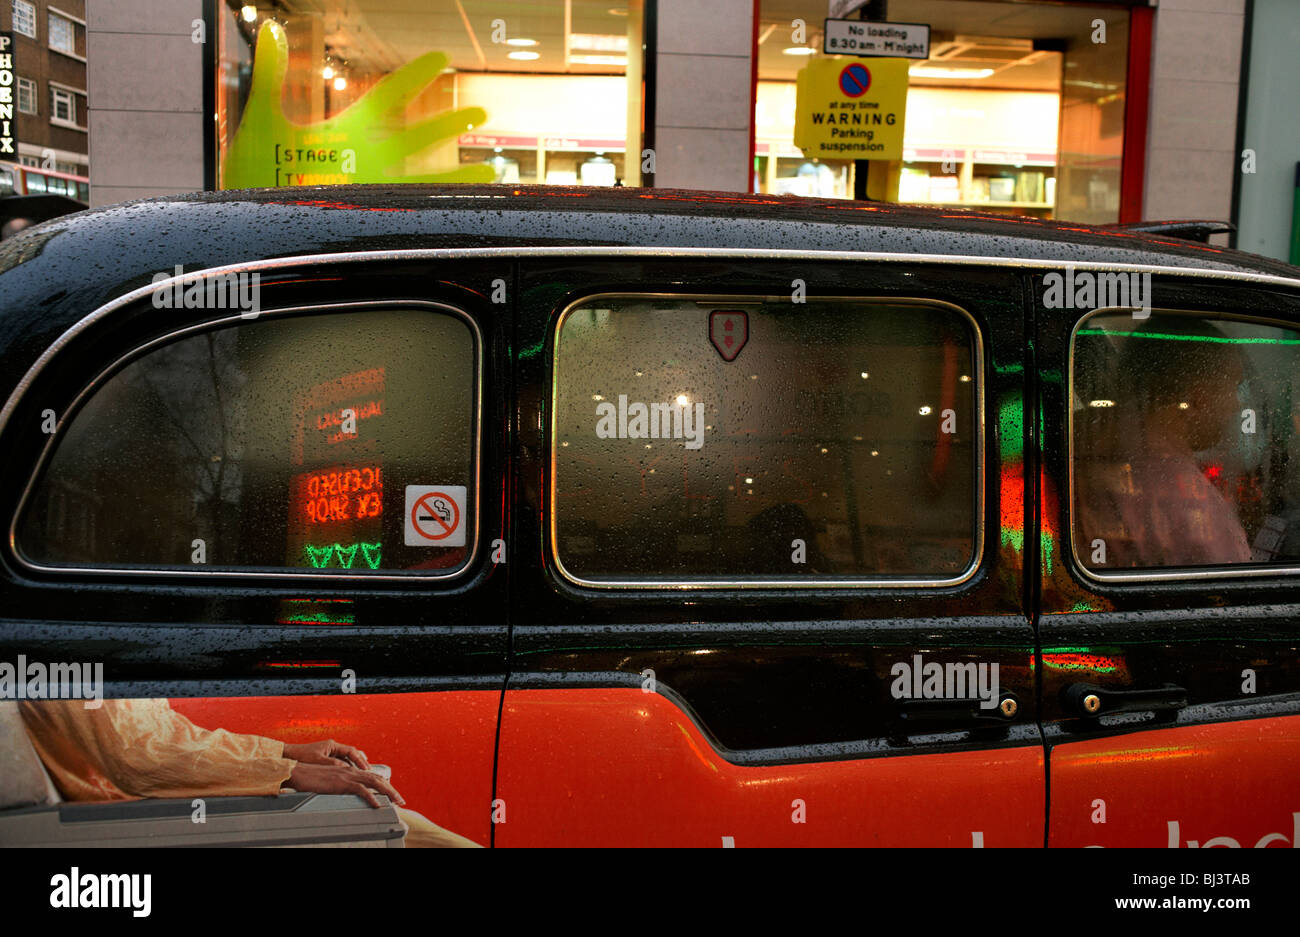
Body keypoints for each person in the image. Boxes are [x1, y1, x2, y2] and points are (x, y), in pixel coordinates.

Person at [18, 698, 480, 848]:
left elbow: (168, 736)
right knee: (401, 827)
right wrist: (288, 773)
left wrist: (286, 751)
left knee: (406, 825)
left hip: (156, 807)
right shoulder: (63, 636)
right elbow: (139, 761)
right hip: (138, 820)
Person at [1075, 317, 1250, 568]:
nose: (1237, 405)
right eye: (1233, 388)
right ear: (1199, 399)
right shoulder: (1186, 497)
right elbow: (1229, 596)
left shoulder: (1080, 461)